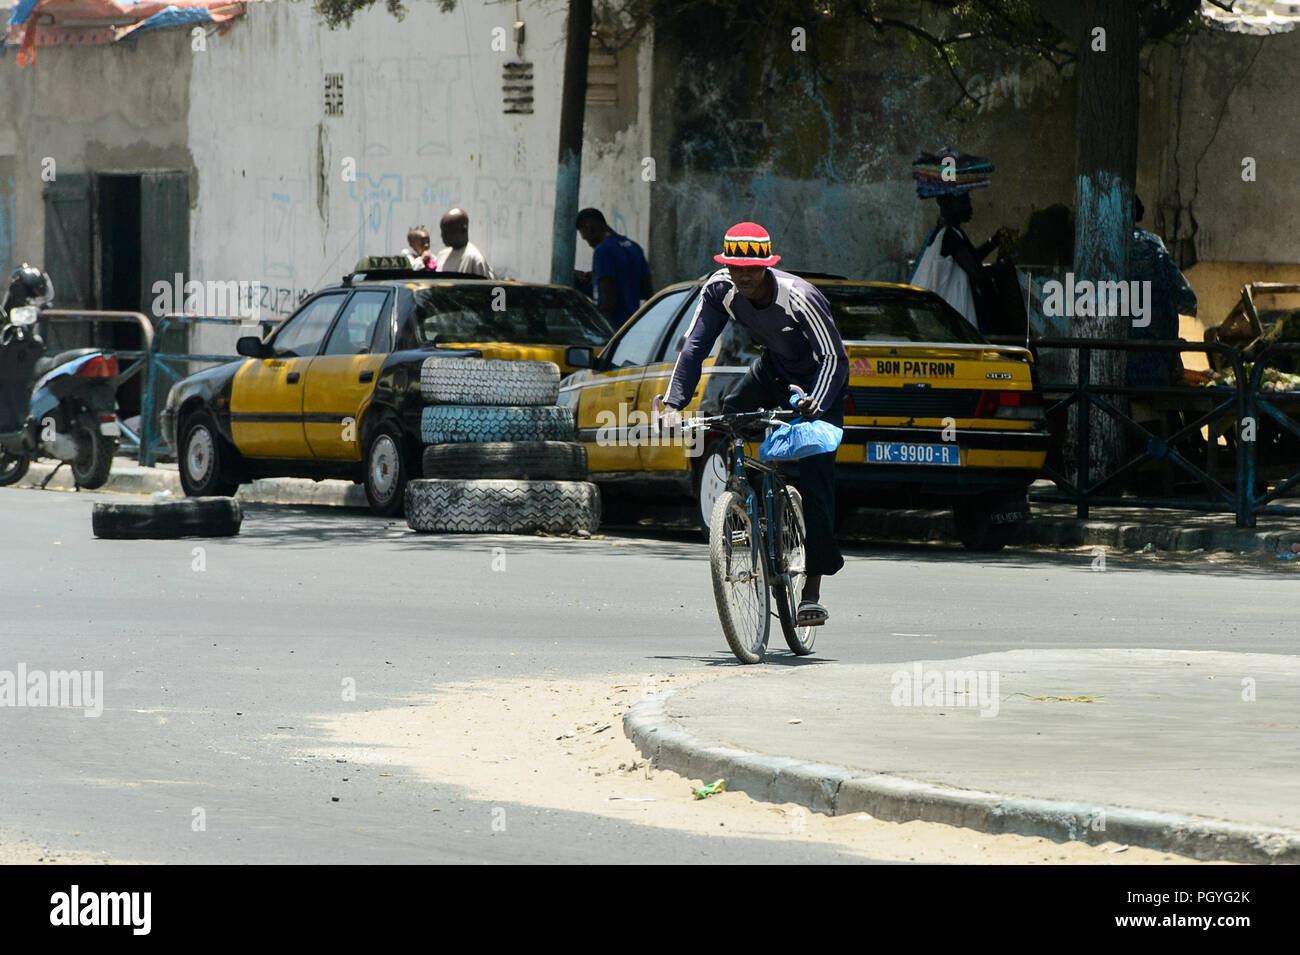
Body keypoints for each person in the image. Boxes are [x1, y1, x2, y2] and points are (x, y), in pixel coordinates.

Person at [659, 222, 847, 626]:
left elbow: (835, 359)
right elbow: (695, 345)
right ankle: (748, 504)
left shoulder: (800, 297)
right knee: (732, 413)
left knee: (817, 479)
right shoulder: (718, 289)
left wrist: (817, 402)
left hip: (817, 385)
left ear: (766, 266)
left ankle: (811, 590)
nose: (743, 276)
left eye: (752, 268)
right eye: (735, 267)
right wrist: (675, 402)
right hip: (774, 371)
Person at [911, 190, 1013, 331]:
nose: (969, 207)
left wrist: (993, 242)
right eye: (964, 201)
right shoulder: (949, 235)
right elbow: (977, 273)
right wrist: (1002, 266)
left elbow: (969, 259)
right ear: (948, 205)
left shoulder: (951, 232)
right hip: (952, 318)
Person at [575, 208, 652, 325]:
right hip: (631, 326)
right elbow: (646, 291)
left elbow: (609, 300)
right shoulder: (634, 247)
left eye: (586, 238)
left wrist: (600, 327)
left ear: (589, 228)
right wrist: (597, 278)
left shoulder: (602, 250)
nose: (589, 244)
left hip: (614, 327)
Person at [434, 208, 494, 277]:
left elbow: (486, 286)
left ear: (463, 230)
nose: (442, 236)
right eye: (442, 231)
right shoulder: (442, 256)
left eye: (448, 231)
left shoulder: (474, 259)